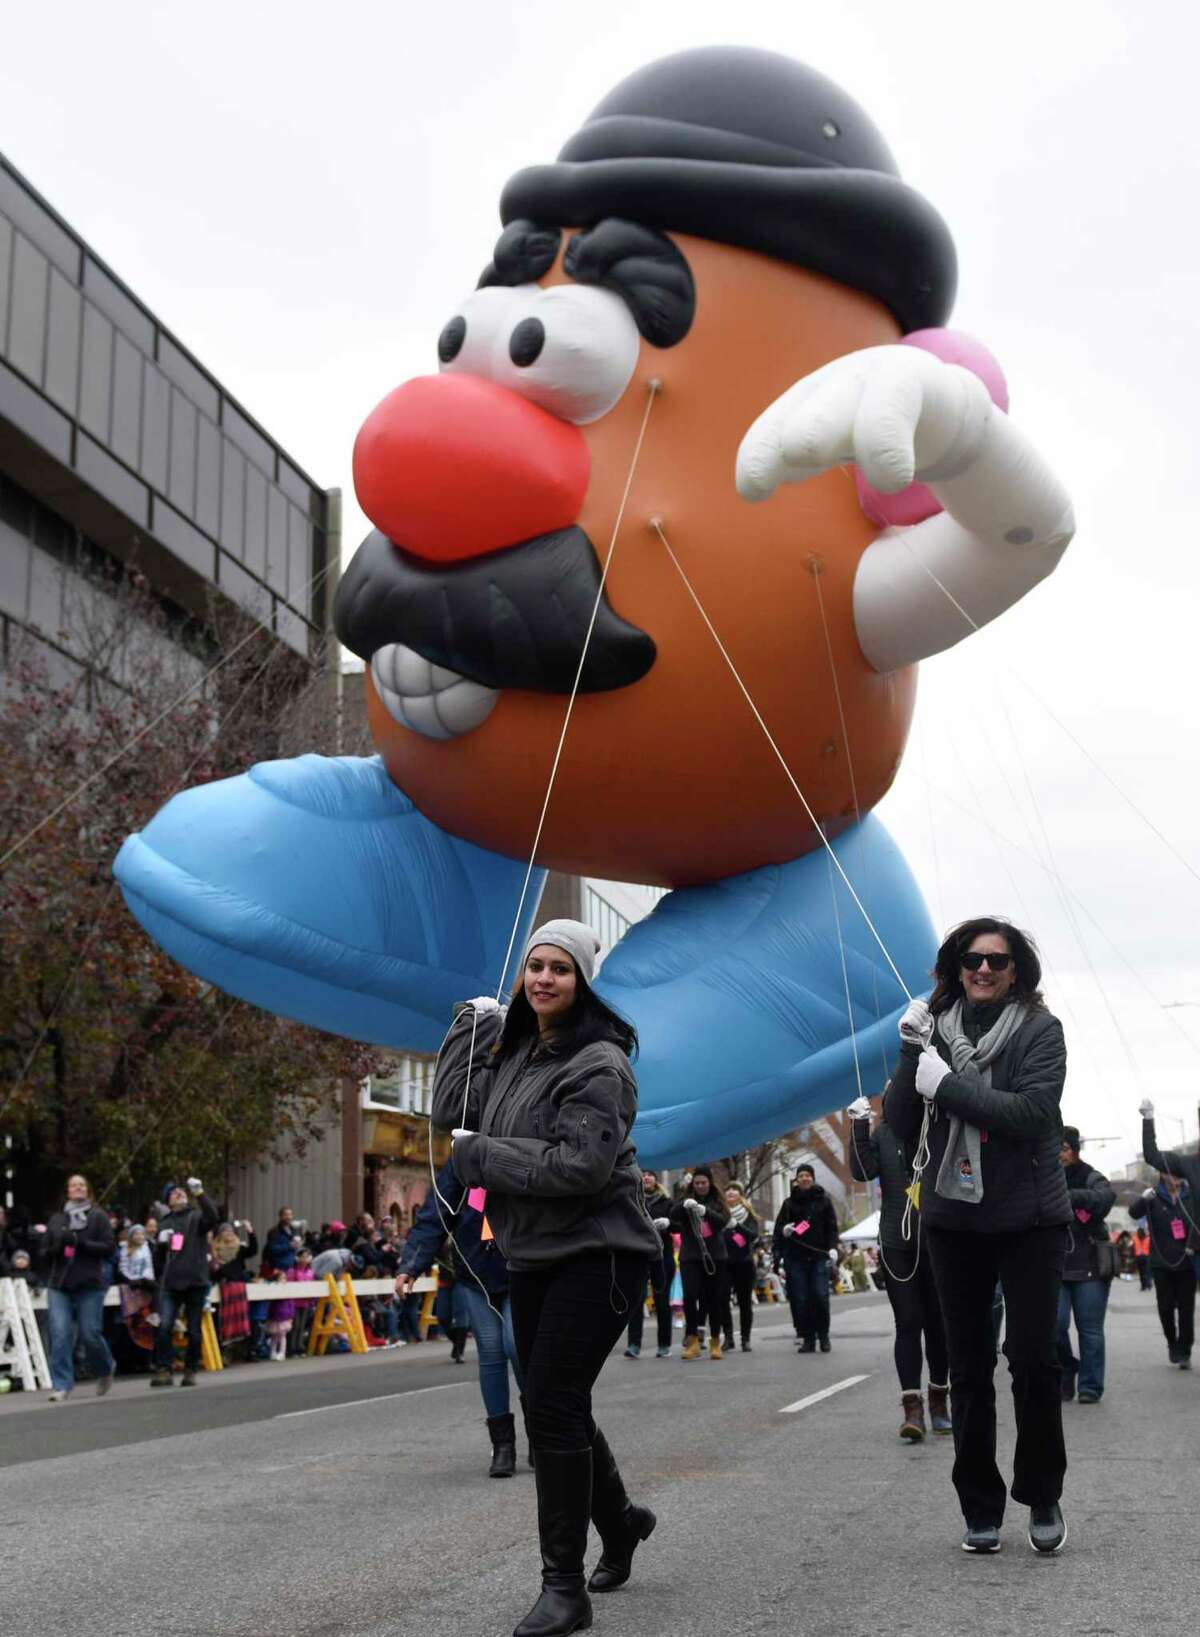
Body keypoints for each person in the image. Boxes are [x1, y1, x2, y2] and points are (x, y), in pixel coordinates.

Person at [432, 917, 660, 1637]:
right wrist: (468, 1031)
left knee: (553, 1405)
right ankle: (619, 1523)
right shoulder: (516, 1054)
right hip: (533, 1254)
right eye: (534, 965)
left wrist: (480, 1160)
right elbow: (450, 1116)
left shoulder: (600, 1063)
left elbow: (579, 1167)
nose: (543, 978)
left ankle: (563, 1587)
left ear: (582, 980)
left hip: (601, 1253)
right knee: (553, 1401)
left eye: (559, 967)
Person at [884, 917, 1072, 1557]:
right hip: (954, 1221)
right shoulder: (931, 1032)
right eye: (972, 959)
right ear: (954, 968)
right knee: (966, 1367)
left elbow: (1032, 1115)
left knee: (1032, 1359)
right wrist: (911, 1053)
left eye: (998, 959)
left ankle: (1042, 1492)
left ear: (1017, 969)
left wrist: (948, 1084)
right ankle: (980, 1506)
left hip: (1030, 1219)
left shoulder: (1042, 1032)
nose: (984, 969)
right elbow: (903, 1125)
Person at [397, 1156, 525, 1476]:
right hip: (475, 1271)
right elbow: (434, 1215)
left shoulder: (524, 1143)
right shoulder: (463, 1160)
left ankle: (541, 1433)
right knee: (491, 1351)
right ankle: (503, 1447)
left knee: (516, 1345)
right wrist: (411, 1266)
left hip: (522, 1267)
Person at [848, 1092, 951, 1440]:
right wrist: (858, 1128)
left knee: (938, 1325)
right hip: (897, 1242)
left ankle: (940, 1401)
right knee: (908, 1322)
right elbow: (862, 1171)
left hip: (937, 1240)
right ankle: (912, 1409)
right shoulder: (883, 1134)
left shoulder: (937, 1128)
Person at [37, 1174, 116, 1402]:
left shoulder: (98, 1217)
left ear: (88, 1190)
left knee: (89, 1333)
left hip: (90, 1284)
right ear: (68, 1191)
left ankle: (105, 1368)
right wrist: (55, 1248)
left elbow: (110, 1249)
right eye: (73, 1185)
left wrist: (82, 1244)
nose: (77, 1188)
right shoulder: (57, 1219)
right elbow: (42, 1253)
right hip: (59, 1284)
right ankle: (62, 1384)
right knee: (59, 1333)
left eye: (81, 1184)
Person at [1056, 1128, 1115, 1404]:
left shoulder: (1091, 1175)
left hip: (1090, 1263)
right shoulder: (1043, 1174)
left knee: (1090, 1331)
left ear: (1076, 1150)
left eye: (1066, 1148)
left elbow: (1106, 1198)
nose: (1061, 1153)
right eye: (1056, 1148)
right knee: (1054, 1326)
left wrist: (1071, 1196)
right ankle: (1066, 1370)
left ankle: (1090, 1386)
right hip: (1054, 1264)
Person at [151, 1179, 218, 1387]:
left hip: (195, 1282)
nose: (179, 1193)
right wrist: (160, 1245)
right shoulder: (165, 1222)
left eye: (181, 1191)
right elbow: (158, 1263)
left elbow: (213, 1217)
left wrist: (200, 1194)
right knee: (164, 1327)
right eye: (173, 1193)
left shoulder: (196, 1217)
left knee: (194, 1330)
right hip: (171, 1283)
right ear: (168, 1201)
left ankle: (190, 1369)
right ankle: (164, 1369)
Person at [1129, 1172, 1199, 1368]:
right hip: (1161, 1263)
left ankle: (1184, 1351)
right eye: (1172, 1172)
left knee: (1186, 1309)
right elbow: (1134, 1213)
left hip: (1187, 1260)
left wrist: (1193, 1244)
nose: (1176, 1175)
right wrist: (1143, 1200)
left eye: (1179, 1172)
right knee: (1165, 1307)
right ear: (1162, 1174)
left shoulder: (1190, 1195)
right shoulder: (1153, 1197)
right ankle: (1172, 1342)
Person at [772, 1163, 839, 1353]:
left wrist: (833, 1248)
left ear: (813, 1178)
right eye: (801, 1175)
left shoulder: (824, 1202)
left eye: (808, 1175)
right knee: (800, 1299)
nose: (805, 1178)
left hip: (819, 1256)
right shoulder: (788, 1204)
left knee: (820, 1295)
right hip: (796, 1258)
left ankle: (824, 1335)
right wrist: (784, 1233)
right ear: (796, 1179)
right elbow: (779, 1231)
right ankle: (808, 1337)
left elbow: (832, 1228)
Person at [670, 1166, 730, 1360]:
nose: (701, 1186)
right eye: (697, 1183)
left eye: (704, 1182)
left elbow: (723, 1222)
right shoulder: (687, 1200)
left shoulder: (718, 1201)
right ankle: (693, 1339)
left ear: (710, 1183)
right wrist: (683, 1205)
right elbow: (673, 1216)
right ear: (692, 1184)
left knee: (713, 1299)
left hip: (714, 1256)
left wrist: (707, 1212)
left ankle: (714, 1340)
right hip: (690, 1256)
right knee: (689, 1295)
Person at [623, 1168, 675, 1359]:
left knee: (662, 1301)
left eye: (650, 1175)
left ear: (656, 1180)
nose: (646, 1177)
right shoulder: (633, 1200)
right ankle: (634, 1344)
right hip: (640, 1255)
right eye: (643, 1175)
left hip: (662, 1257)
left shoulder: (667, 1202)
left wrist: (668, 1223)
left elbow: (678, 1225)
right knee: (637, 1300)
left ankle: (664, 1345)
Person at [209, 1221, 258, 1359]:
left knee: (241, 1320)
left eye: (231, 1231)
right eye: (225, 1231)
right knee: (222, 1321)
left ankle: (238, 1351)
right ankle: (222, 1351)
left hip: (238, 1287)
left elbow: (253, 1250)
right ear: (220, 1234)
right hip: (222, 1288)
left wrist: (250, 1232)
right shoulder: (215, 1250)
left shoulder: (239, 1248)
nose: (229, 1233)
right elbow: (213, 1272)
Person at [720, 1182, 760, 1352]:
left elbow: (753, 1235)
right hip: (724, 1262)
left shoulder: (748, 1215)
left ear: (741, 1195)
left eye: (734, 1189)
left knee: (745, 1303)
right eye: (727, 1189)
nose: (730, 1192)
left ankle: (745, 1338)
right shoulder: (720, 1213)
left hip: (744, 1262)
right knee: (722, 1300)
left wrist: (737, 1225)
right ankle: (728, 1337)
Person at [1132, 1223, 1152, 1290]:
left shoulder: (1147, 1238)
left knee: (1143, 1272)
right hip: (1144, 1257)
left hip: (1142, 1257)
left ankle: (1145, 1285)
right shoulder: (1147, 1238)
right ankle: (1146, 1285)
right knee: (1145, 1272)